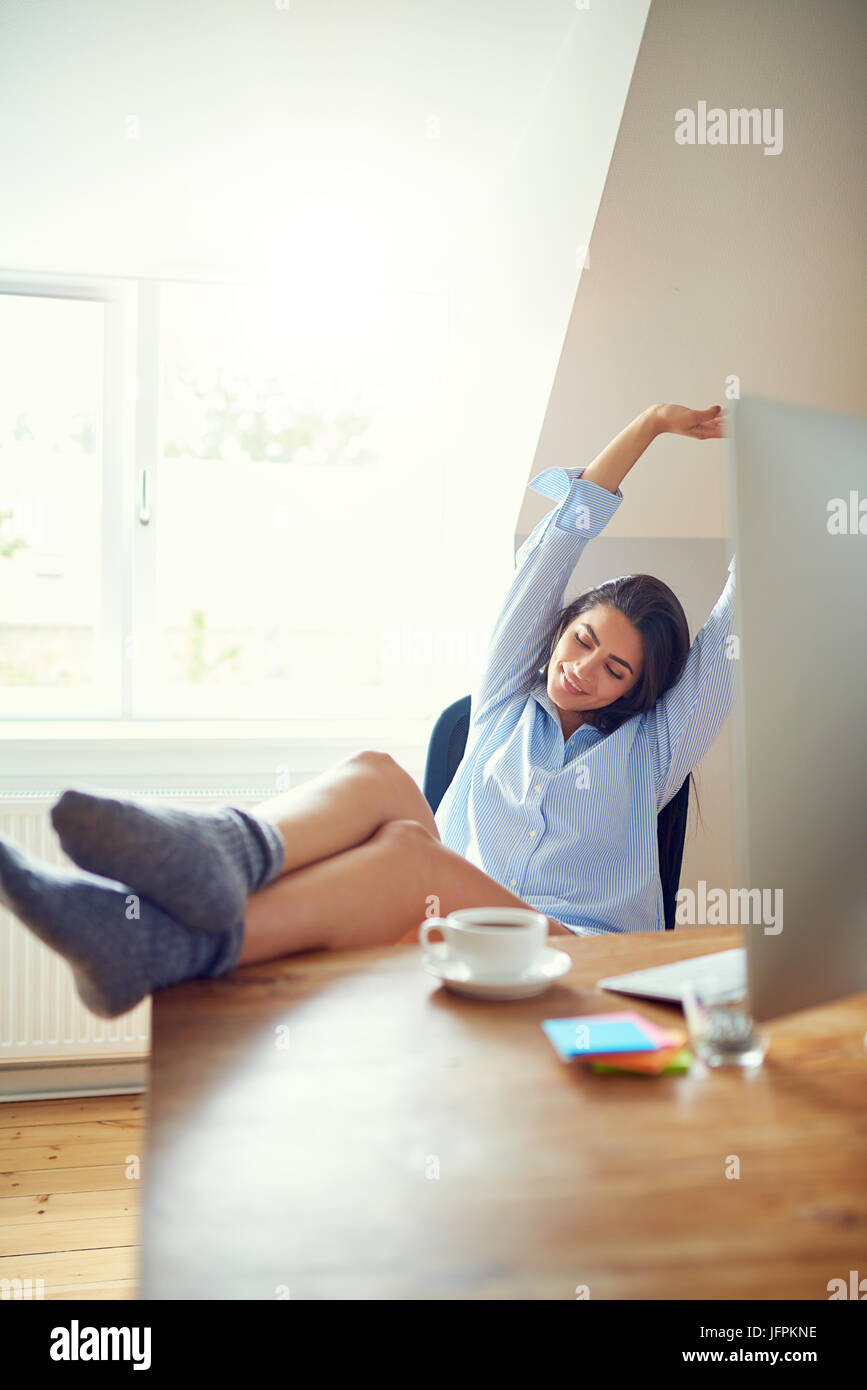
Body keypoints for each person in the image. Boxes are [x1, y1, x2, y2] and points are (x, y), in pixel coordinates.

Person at [0, 402, 733, 1019]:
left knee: (407, 859)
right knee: (379, 775)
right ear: (562, 627)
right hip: (463, 933)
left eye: (614, 670)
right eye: (580, 639)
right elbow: (559, 543)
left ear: (636, 691)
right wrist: (650, 424)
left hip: (576, 957)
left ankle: (166, 930)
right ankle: (214, 859)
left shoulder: (654, 749)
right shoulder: (509, 697)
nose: (580, 671)